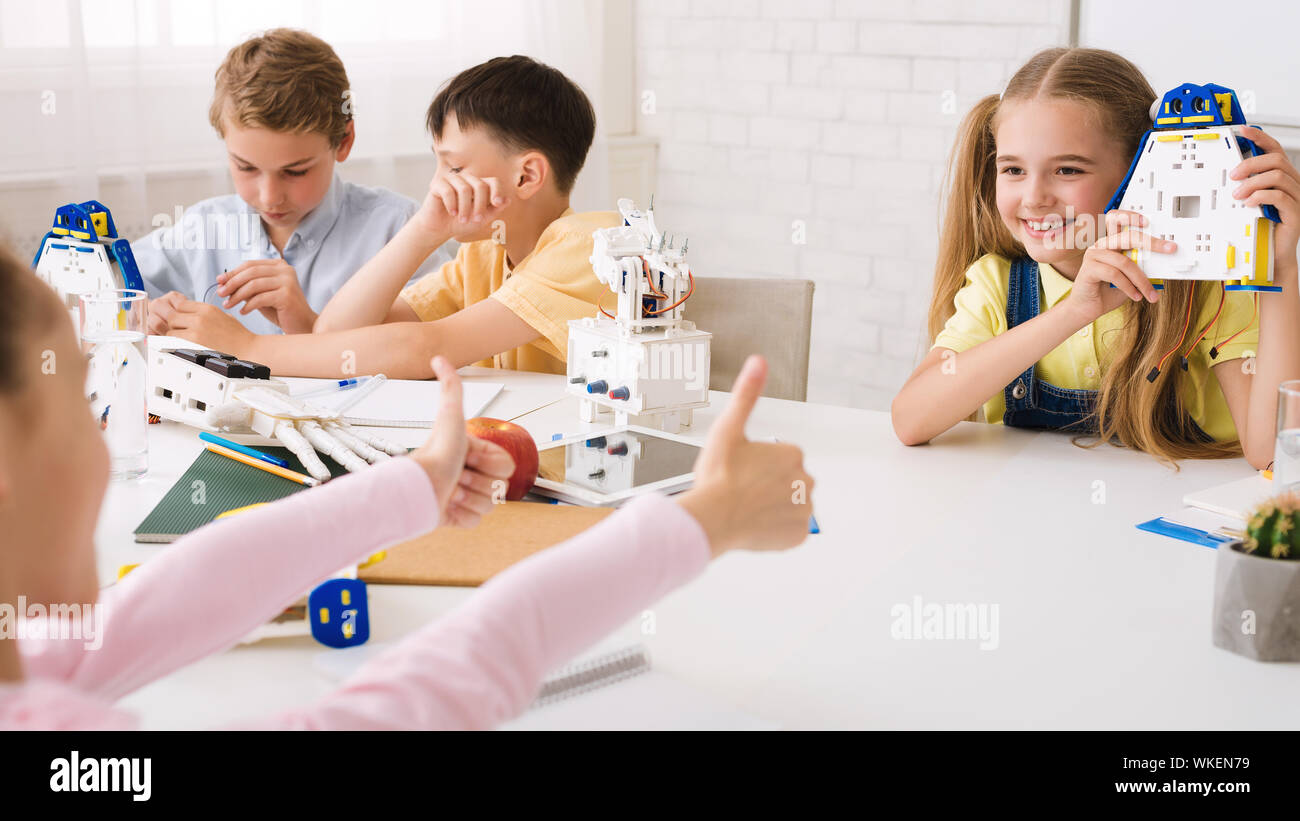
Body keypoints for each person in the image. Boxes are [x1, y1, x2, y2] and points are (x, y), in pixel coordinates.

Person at [892, 47, 1300, 467]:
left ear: (1139, 171)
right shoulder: (996, 285)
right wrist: (1073, 312)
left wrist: (1283, 265)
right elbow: (910, 419)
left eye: (1068, 170)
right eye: (1013, 170)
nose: (1034, 198)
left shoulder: (1210, 285)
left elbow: (1272, 455)